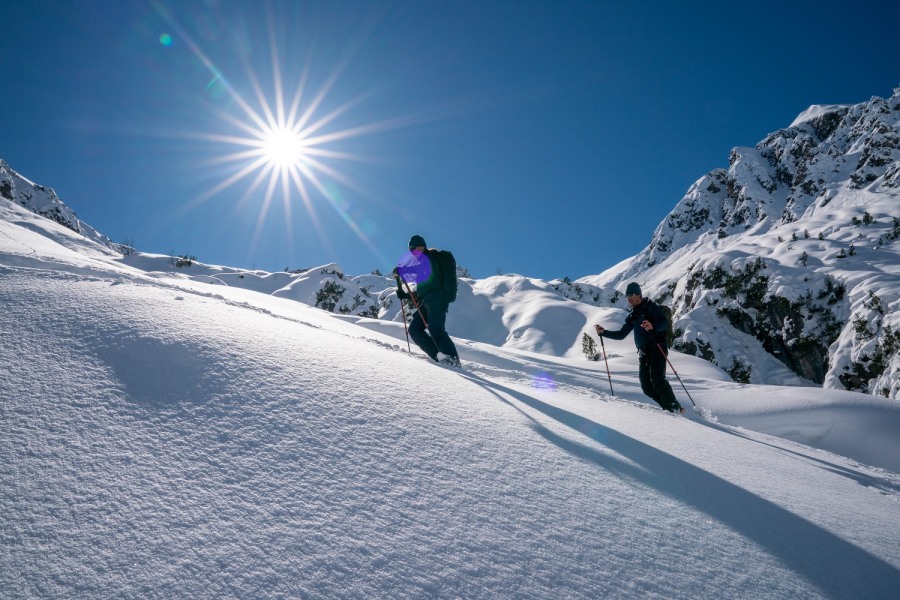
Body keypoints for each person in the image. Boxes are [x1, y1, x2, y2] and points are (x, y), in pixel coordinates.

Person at [594, 282, 684, 414]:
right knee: (646, 387)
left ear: (639, 295)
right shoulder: (633, 315)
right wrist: (604, 332)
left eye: (631, 295)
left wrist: (652, 325)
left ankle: (673, 407)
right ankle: (668, 408)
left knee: (658, 379)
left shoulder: (650, 307)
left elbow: (663, 322)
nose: (629, 298)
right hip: (643, 353)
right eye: (627, 296)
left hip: (657, 347)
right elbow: (621, 334)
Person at [394, 235, 461, 367]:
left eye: (414, 248)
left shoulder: (430, 257)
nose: (413, 252)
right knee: (415, 330)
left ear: (422, 246)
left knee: (436, 330)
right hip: (427, 301)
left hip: (437, 300)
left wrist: (403, 270)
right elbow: (424, 289)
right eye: (410, 250)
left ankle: (453, 361)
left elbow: (426, 278)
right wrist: (405, 295)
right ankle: (440, 357)